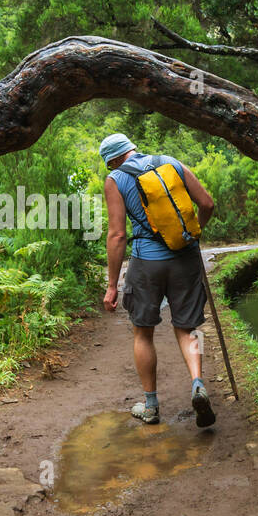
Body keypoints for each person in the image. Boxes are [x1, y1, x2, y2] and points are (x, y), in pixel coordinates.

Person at [99, 132, 217, 427]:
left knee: (143, 332)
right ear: (132, 148)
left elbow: (117, 235)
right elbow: (208, 204)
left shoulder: (115, 179)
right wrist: (191, 236)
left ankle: (151, 406)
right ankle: (197, 384)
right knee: (186, 327)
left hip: (146, 263)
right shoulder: (171, 163)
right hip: (185, 258)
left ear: (112, 160)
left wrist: (112, 285)